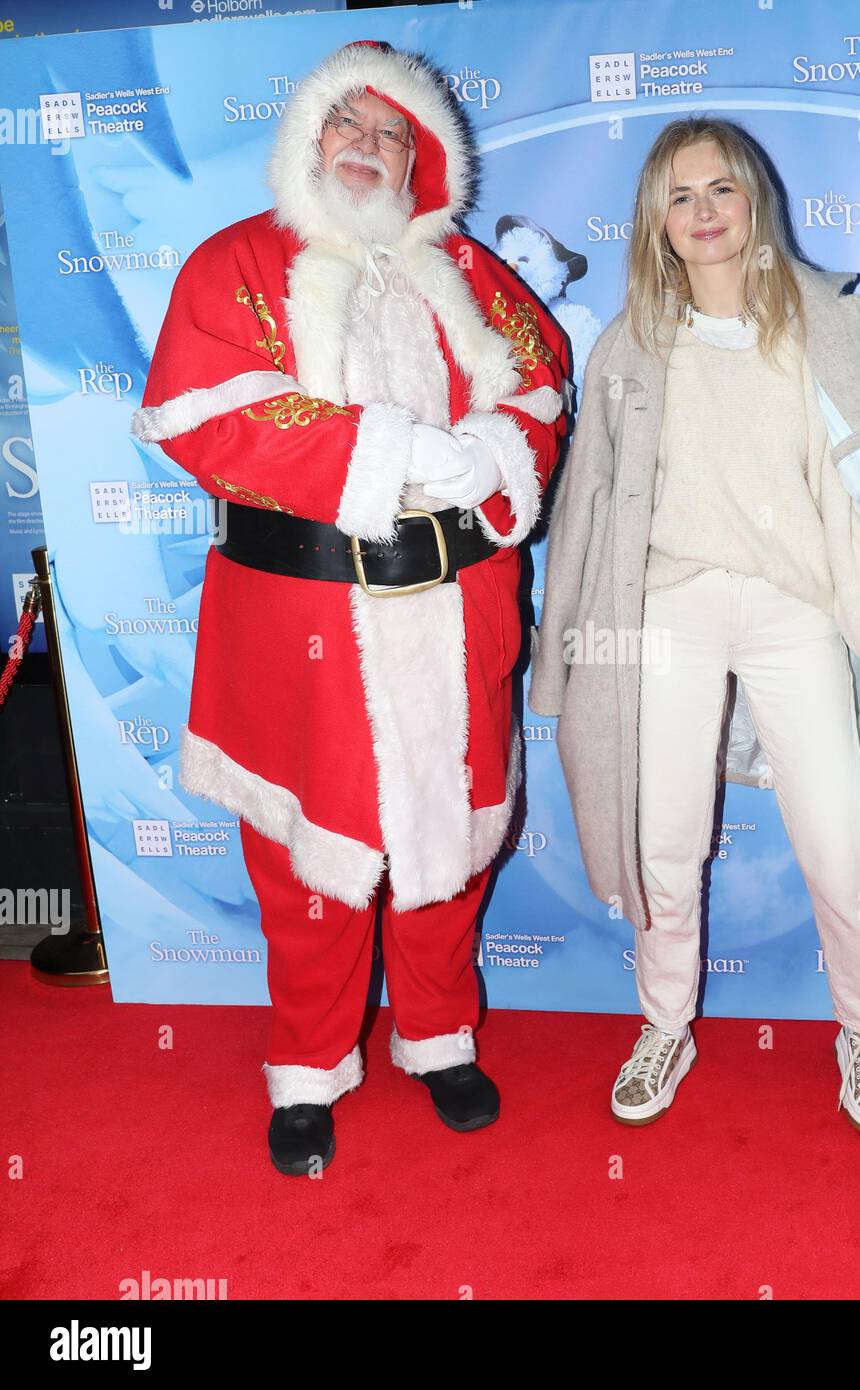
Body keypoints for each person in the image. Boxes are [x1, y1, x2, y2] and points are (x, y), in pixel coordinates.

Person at [132, 40, 567, 1175]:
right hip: (302, 620)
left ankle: (439, 1036)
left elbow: (542, 383)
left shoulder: (468, 272)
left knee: (447, 842)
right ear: (308, 136)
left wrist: (491, 449)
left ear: (422, 159)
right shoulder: (237, 262)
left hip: (458, 606)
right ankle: (308, 1065)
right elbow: (201, 414)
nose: (366, 147)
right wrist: (389, 451)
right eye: (347, 124)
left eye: (391, 134)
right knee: (309, 866)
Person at [529, 116, 860, 1130]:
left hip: (792, 608)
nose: (704, 211)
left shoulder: (824, 327)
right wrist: (570, 651)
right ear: (656, 220)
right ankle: (664, 1023)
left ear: (754, 198)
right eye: (679, 196)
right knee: (665, 841)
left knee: (837, 844)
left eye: (720, 188)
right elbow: (592, 512)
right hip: (666, 611)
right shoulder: (631, 346)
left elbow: (858, 511)